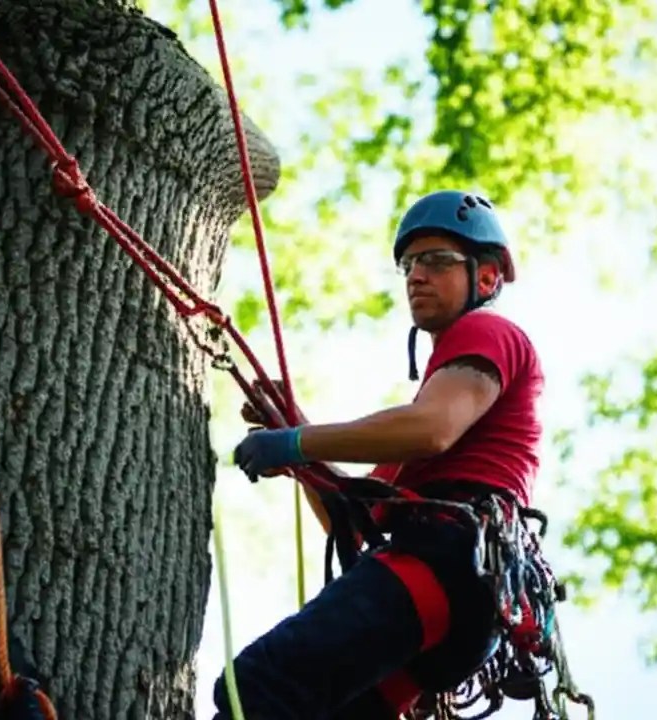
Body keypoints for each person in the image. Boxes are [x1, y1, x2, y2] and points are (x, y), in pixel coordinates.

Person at [215, 189, 547, 720]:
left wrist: (297, 441)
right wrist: (298, 442)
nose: (417, 274)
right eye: (410, 264)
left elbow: (433, 428)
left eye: (437, 261)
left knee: (258, 686)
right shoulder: (411, 452)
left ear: (486, 278)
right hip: (457, 605)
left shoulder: (487, 333)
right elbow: (353, 524)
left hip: (447, 562)